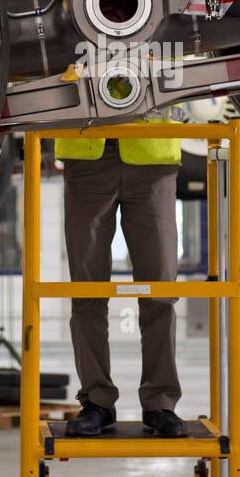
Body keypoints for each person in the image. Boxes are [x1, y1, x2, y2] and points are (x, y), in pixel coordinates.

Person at [56, 122, 186, 438]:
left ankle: (160, 403)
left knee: (160, 292)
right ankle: (97, 401)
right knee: (87, 293)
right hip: (86, 147)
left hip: (153, 152)